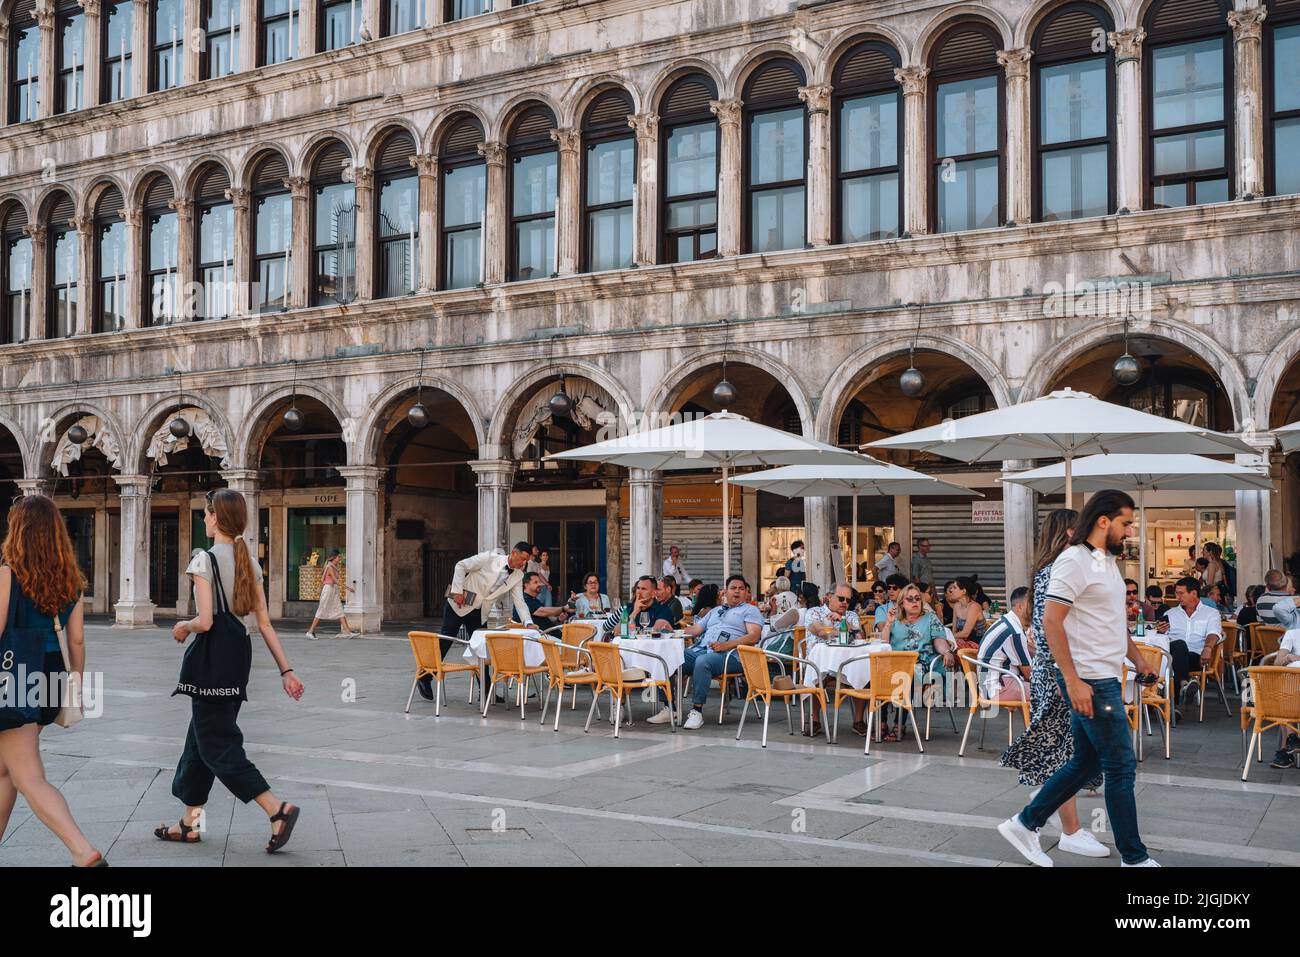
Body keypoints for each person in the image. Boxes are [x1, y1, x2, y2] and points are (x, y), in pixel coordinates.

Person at [998, 490, 1159, 868]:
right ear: (1103, 520)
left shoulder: (1105, 563)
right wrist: (1071, 680)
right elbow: (1052, 622)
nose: (1130, 530)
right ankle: (1134, 859)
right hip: (1090, 681)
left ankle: (1025, 823)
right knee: (1120, 767)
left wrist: (1138, 661)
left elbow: (1113, 624)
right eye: (1125, 522)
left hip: (1105, 676)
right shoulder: (1072, 561)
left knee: (1086, 764)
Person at [161, 489, 305, 854]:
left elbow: (206, 620)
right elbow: (265, 624)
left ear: (216, 517)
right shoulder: (249, 562)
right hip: (238, 653)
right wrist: (286, 670)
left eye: (207, 514)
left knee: (216, 741)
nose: (204, 519)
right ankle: (189, 824)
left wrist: (183, 626)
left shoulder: (203, 560)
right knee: (201, 738)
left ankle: (277, 810)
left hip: (212, 656)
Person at [0, 494, 105, 867]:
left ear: (20, 530)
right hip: (50, 675)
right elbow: (76, 640)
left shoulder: (8, 573)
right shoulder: (71, 581)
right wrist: (74, 683)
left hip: (14, 677)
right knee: (6, 768)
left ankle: (82, 850)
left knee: (28, 774)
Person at [1000, 508, 1111, 861]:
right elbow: (1052, 630)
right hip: (1062, 677)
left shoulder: (1059, 570)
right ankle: (1067, 828)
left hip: (1065, 675)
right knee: (1074, 754)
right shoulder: (1055, 572)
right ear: (1067, 534)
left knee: (1076, 754)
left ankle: (1055, 813)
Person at [421, 541, 534, 700]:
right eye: (522, 558)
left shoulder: (518, 575)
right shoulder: (489, 558)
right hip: (459, 604)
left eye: (526, 561)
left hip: (480, 612)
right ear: (514, 553)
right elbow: (460, 565)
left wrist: (528, 622)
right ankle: (424, 677)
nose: (524, 563)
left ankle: (487, 692)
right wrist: (457, 591)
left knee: (481, 649)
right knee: (445, 641)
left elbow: (520, 601)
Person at [648, 575, 763, 729]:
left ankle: (697, 711)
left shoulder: (750, 610)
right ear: (725, 592)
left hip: (731, 656)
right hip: (701, 650)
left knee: (703, 662)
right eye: (733, 588)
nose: (737, 592)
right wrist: (673, 630)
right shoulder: (715, 611)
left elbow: (754, 636)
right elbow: (695, 629)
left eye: (741, 589)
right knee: (666, 658)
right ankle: (669, 708)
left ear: (746, 592)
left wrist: (727, 645)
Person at [1154, 576, 1222, 709]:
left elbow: (1213, 633)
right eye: (1176, 593)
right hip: (1171, 657)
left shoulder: (1211, 613)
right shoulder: (1170, 613)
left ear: (1194, 593)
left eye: (1181, 593)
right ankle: (1184, 684)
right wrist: (1161, 632)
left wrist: (1208, 648)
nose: (1178, 597)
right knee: (1178, 646)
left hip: (1197, 657)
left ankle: (1172, 707)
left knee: (1179, 650)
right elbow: (1162, 639)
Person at [977, 587, 1033, 702]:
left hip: (990, 685)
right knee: (1054, 692)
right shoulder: (1014, 632)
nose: (1037, 609)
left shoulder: (1006, 621)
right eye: (1033, 604)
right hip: (998, 688)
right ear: (1020, 607)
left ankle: (1030, 721)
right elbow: (1030, 674)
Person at [601, 575, 674, 638]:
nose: (639, 592)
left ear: (653, 593)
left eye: (643, 589)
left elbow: (655, 633)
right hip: (627, 650)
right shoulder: (628, 608)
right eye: (638, 588)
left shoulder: (663, 610)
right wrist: (634, 612)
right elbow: (617, 632)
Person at [305, 549, 354, 640]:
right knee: (321, 610)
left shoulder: (333, 567)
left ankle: (349, 633)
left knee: (339, 610)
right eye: (339, 557)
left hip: (333, 590)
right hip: (328, 590)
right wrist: (348, 588)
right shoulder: (330, 567)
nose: (340, 559)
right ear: (334, 558)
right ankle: (310, 632)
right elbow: (335, 580)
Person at [946, 577, 985, 649]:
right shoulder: (956, 606)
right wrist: (952, 639)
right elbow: (954, 630)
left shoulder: (974, 606)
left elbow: (966, 633)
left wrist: (948, 638)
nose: (951, 590)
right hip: (961, 642)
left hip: (977, 644)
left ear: (963, 591)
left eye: (954, 588)